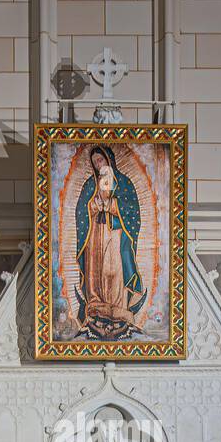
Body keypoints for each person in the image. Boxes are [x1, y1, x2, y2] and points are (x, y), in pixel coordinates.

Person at [74, 145, 147, 340]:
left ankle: (117, 308)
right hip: (95, 234)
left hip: (115, 234)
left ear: (109, 160)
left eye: (101, 160)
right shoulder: (91, 184)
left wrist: (112, 205)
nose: (99, 164)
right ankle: (96, 304)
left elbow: (131, 209)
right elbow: (82, 209)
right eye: (95, 161)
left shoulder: (123, 182)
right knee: (95, 271)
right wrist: (93, 206)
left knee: (113, 270)